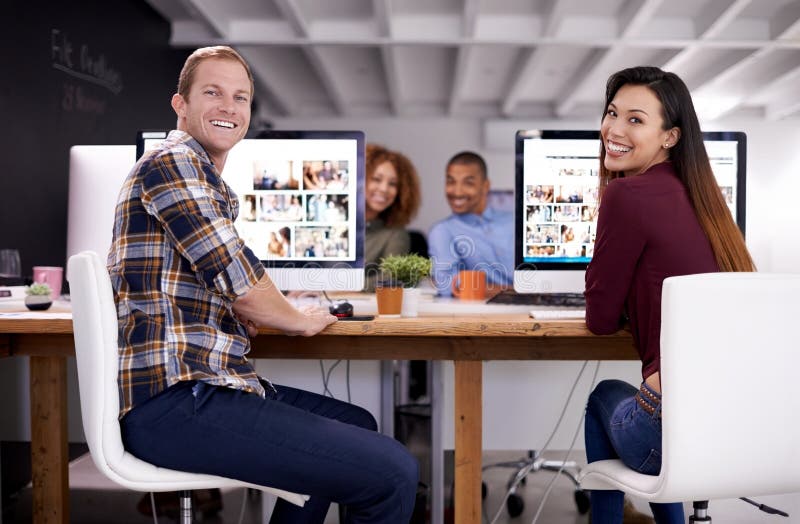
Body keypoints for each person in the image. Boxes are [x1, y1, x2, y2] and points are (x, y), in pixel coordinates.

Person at [107, 46, 418, 524]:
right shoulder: (174, 163)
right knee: (394, 471)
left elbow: (215, 285)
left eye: (241, 98)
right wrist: (295, 317)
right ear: (180, 105)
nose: (229, 108)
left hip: (202, 387)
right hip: (177, 400)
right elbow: (240, 279)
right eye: (213, 93)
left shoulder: (200, 175)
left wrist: (248, 313)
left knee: (356, 423)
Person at [583, 66, 755, 524]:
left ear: (670, 136)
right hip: (733, 429)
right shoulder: (706, 200)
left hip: (671, 437)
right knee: (638, 400)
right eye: (612, 113)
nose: (613, 130)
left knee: (603, 395)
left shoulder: (627, 196)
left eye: (635, 120)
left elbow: (599, 320)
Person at [428, 151, 514, 296]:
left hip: (541, 307)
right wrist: (518, 292)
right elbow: (449, 288)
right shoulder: (443, 231)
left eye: (468, 183)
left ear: (485, 186)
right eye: (451, 181)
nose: (457, 191)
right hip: (488, 313)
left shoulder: (514, 221)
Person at [364, 143, 421, 290]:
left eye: (393, 184)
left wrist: (343, 286)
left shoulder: (395, 234)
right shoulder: (334, 223)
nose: (384, 189)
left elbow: (392, 276)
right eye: (376, 179)